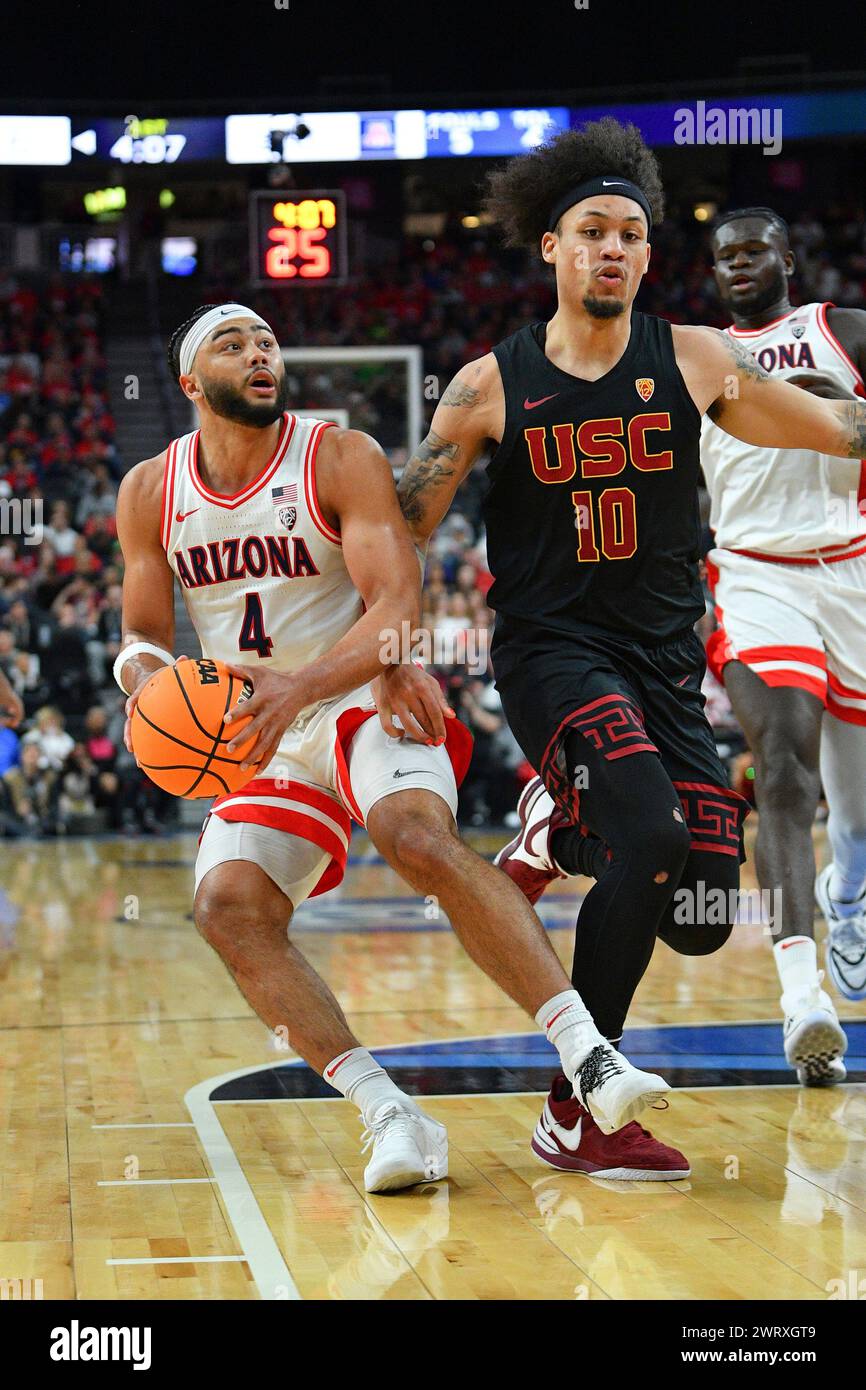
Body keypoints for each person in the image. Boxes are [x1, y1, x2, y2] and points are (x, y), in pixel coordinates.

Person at [381, 119, 866, 1180]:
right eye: (590, 230)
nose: (611, 247)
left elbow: (836, 430)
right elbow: (403, 523)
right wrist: (386, 646)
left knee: (694, 903)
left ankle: (559, 833)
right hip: (554, 650)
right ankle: (577, 1107)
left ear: (648, 255)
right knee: (646, 830)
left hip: (661, 662)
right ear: (548, 248)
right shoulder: (485, 384)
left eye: (631, 233)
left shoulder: (694, 356)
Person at [114, 302, 669, 1196]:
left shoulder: (339, 455)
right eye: (232, 342)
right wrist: (149, 688)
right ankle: (388, 1110)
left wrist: (335, 675)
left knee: (413, 835)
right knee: (227, 905)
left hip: (359, 693)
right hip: (259, 728)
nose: (260, 352)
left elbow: (397, 606)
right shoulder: (150, 489)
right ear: (189, 381)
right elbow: (140, 634)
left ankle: (588, 1055)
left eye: (267, 339)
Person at [699, 206, 866, 1063]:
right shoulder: (696, 357)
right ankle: (803, 996)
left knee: (858, 812)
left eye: (754, 249)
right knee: (786, 772)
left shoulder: (842, 331)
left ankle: (852, 885)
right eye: (724, 256)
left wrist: (836, 406)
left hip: (855, 567)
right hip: (758, 575)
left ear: (789, 258)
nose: (738, 265)